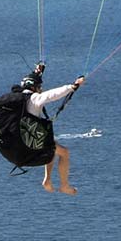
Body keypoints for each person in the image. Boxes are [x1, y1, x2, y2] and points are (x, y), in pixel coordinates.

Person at [20, 64, 85, 194]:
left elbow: (30, 84)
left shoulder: (15, 98)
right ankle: (64, 186)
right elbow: (52, 95)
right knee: (64, 153)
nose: (41, 90)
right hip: (30, 143)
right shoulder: (35, 98)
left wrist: (37, 72)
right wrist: (73, 86)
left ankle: (47, 180)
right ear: (35, 88)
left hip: (17, 141)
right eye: (39, 87)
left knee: (50, 144)